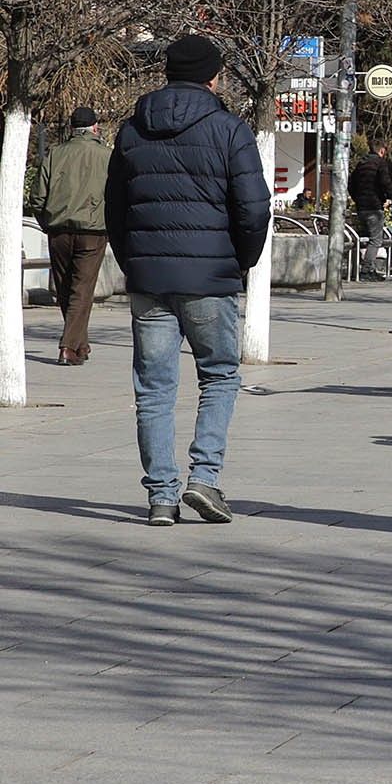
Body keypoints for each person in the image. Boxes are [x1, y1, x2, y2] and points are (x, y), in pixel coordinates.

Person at [106, 35, 272, 526]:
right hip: (209, 277)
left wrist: (134, 262)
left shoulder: (132, 130)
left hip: (149, 279)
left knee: (154, 389)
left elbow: (115, 206)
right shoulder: (229, 129)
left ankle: (161, 496)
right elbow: (254, 207)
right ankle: (204, 478)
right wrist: (239, 261)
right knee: (219, 375)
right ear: (213, 76)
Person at [32, 106, 112, 366]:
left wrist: (47, 223)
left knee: (67, 291)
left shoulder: (55, 154)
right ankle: (68, 347)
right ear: (95, 128)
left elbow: (37, 196)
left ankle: (80, 345)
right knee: (81, 291)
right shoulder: (106, 156)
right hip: (92, 230)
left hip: (58, 231)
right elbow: (117, 195)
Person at [348, 139, 392, 280]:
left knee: (366, 238)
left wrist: (358, 199)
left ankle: (367, 268)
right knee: (375, 240)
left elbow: (351, 184)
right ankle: (366, 271)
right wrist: (391, 197)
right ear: (381, 150)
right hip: (374, 207)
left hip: (361, 207)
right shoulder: (380, 163)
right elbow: (385, 182)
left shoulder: (361, 164)